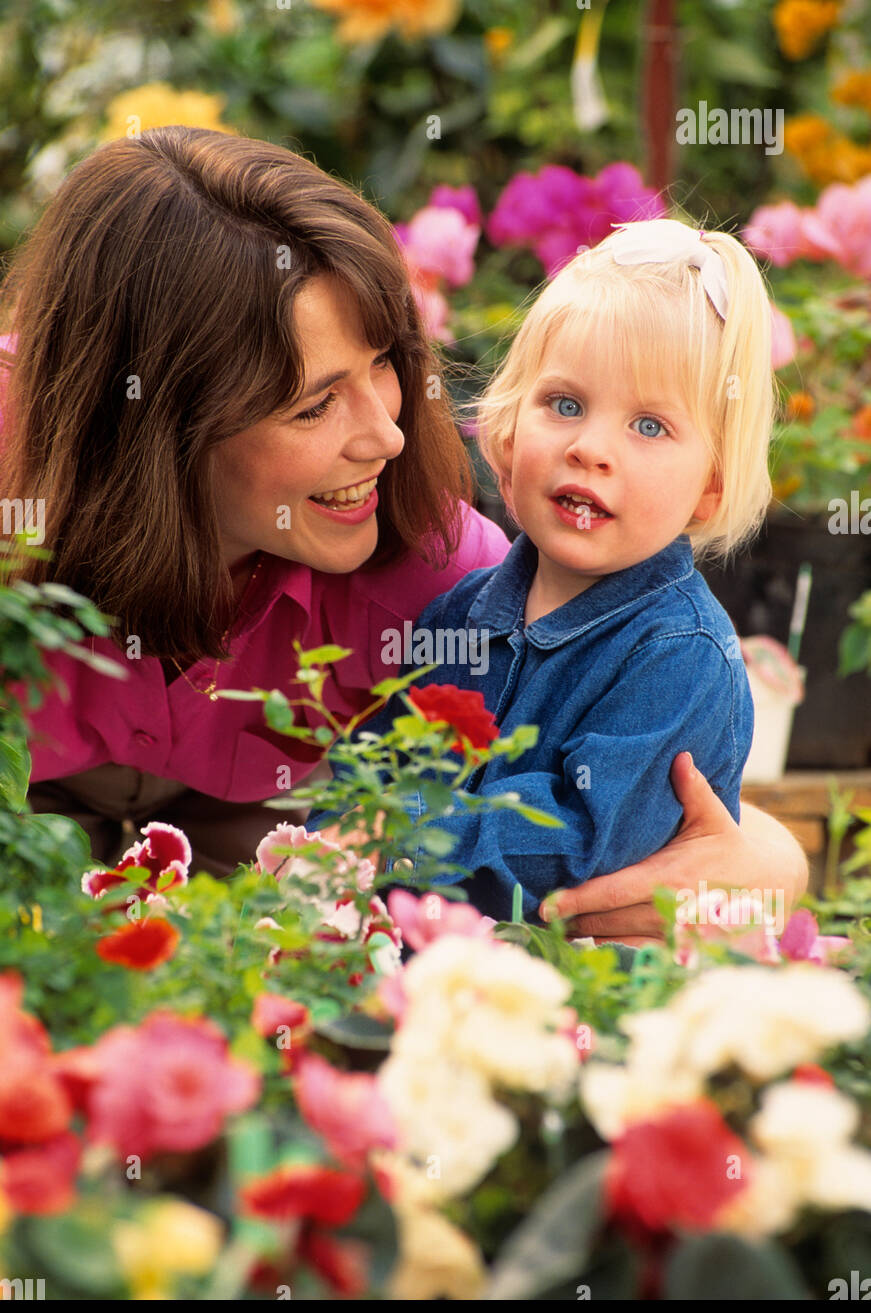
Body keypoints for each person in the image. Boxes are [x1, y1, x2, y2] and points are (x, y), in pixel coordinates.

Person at [0, 127, 807, 941]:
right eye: (313, 405)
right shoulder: (19, 475)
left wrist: (773, 868)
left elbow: (655, 811)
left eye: (381, 363)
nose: (386, 437)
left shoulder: (435, 567)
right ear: (162, 423)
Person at [307, 219, 778, 925]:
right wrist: (324, 837)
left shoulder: (678, 657)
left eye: (648, 426)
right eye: (564, 405)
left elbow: (579, 848)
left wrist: (390, 833)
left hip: (581, 999)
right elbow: (370, 764)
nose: (590, 448)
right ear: (505, 432)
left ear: (709, 487)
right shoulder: (457, 614)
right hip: (419, 974)